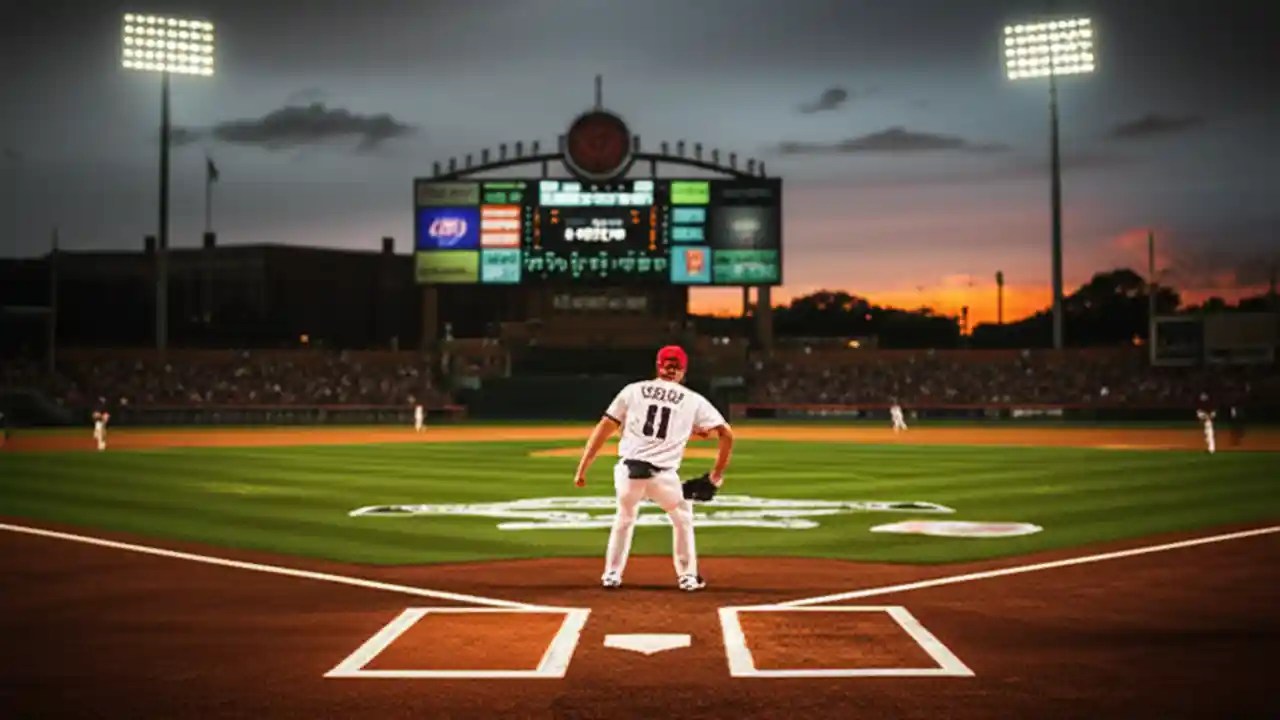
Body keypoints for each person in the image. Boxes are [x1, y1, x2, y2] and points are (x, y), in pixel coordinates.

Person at [574, 345, 734, 592]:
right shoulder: (692, 399)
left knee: (624, 518)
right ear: (683, 370)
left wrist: (582, 468)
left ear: (659, 367)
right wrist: (716, 475)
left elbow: (605, 427)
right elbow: (726, 434)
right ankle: (688, 577)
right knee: (682, 515)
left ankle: (611, 575)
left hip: (628, 475)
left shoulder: (633, 390)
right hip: (664, 479)